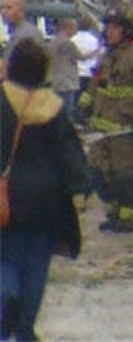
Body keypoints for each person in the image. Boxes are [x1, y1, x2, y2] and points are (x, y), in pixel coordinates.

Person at [0, 40, 91, 341]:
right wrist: (81, 188)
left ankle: (6, 310)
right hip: (49, 199)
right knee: (37, 263)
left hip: (8, 198)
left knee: (7, 259)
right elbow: (69, 150)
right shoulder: (53, 107)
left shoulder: (2, 101)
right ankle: (25, 329)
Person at [79, 5, 133, 233]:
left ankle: (131, 219)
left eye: (115, 28)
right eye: (108, 27)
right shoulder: (106, 58)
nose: (110, 32)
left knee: (125, 177)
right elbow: (96, 85)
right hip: (103, 131)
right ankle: (114, 215)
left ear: (126, 31)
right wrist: (85, 104)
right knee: (98, 173)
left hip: (127, 133)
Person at [0, 0, 44, 80]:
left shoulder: (25, 35)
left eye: (9, 8)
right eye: (1, 8)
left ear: (21, 11)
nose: (3, 12)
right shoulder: (17, 33)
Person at [47, 17, 82, 119]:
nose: (76, 31)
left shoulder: (52, 41)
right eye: (75, 28)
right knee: (66, 112)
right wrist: (97, 51)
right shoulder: (68, 43)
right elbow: (81, 57)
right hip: (67, 82)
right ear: (68, 27)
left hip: (54, 81)